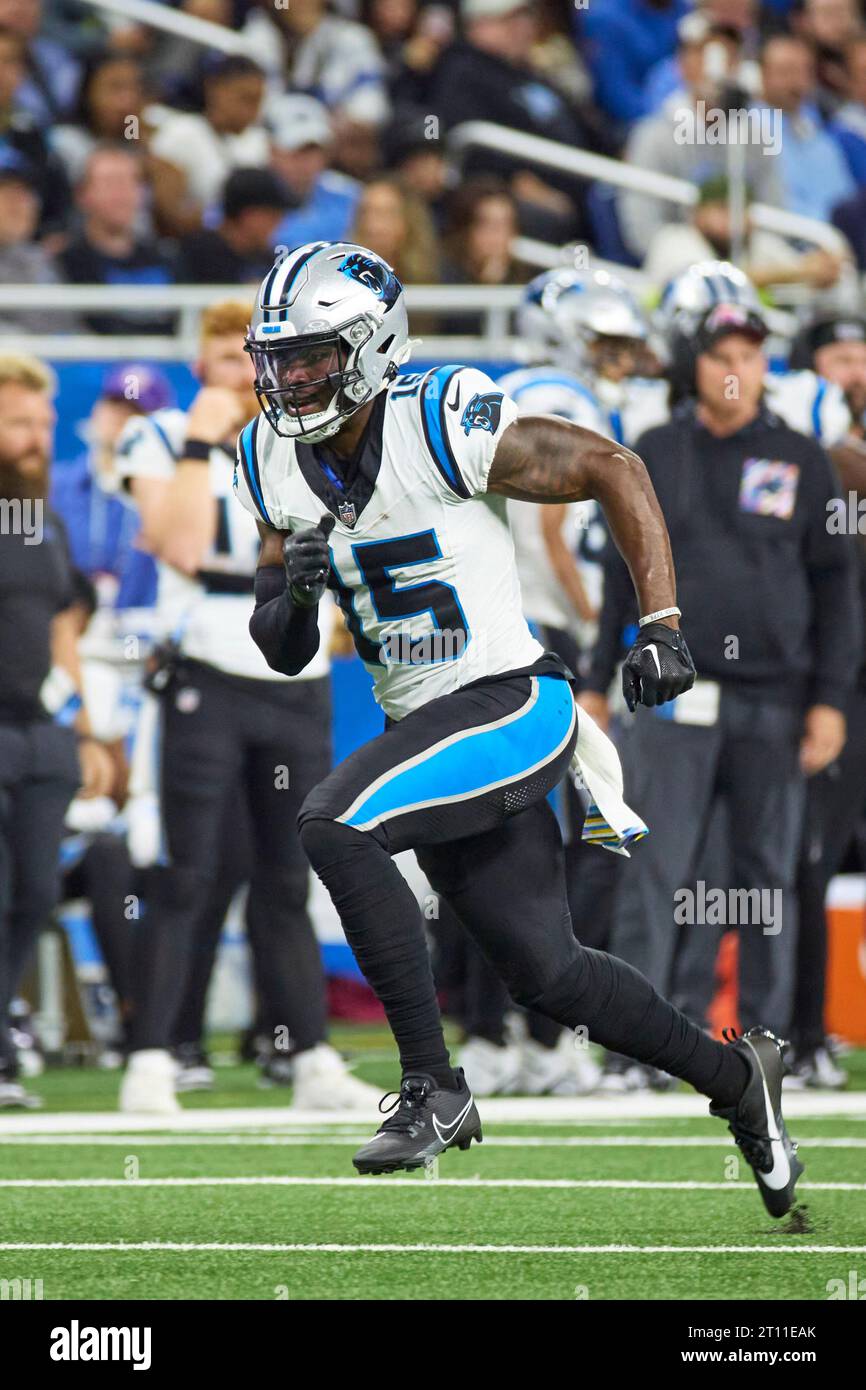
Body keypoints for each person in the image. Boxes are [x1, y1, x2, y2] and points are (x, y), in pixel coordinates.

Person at [233, 239, 805, 1220]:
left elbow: (609, 464)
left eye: (312, 357)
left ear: (369, 348)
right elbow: (281, 648)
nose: (291, 378)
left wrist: (660, 621)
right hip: (434, 727)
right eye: (278, 358)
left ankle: (432, 1087)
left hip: (510, 700)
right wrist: (292, 594)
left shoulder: (435, 417)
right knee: (551, 974)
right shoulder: (266, 457)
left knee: (335, 822)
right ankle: (734, 1080)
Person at [116, 299, 376, 1114]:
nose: (248, 377)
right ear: (203, 368)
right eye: (230, 361)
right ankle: (153, 1057)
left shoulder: (305, 439)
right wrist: (200, 436)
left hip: (293, 676)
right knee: (190, 872)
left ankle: (308, 1058)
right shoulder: (160, 438)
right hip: (209, 669)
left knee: (288, 876)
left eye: (256, 361)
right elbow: (185, 546)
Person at [587, 297, 859, 1054]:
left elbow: (838, 592)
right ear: (692, 365)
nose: (736, 368)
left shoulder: (803, 457)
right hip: (674, 694)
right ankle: (639, 1045)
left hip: (775, 699)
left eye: (749, 355)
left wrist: (831, 703)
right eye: (720, 355)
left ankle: (765, 1043)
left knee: (766, 878)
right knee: (655, 869)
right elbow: (619, 574)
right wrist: (592, 677)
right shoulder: (652, 452)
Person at [0, 354, 114, 1107]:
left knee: (37, 891)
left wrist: (88, 731)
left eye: (43, 423)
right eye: (18, 423)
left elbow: (63, 629)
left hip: (43, 734)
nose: (38, 438)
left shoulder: (46, 522)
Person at [59, 145, 176, 337]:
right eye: (110, 183)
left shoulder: (165, 257)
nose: (123, 194)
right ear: (83, 195)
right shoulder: (66, 263)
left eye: (132, 182)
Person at [268, 94, 359, 251]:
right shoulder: (249, 193)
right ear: (273, 151)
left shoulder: (350, 195)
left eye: (313, 151)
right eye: (296, 151)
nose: (305, 162)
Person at [177, 167, 293, 286]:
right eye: (273, 216)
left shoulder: (267, 258)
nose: (279, 223)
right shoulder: (197, 254)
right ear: (248, 216)